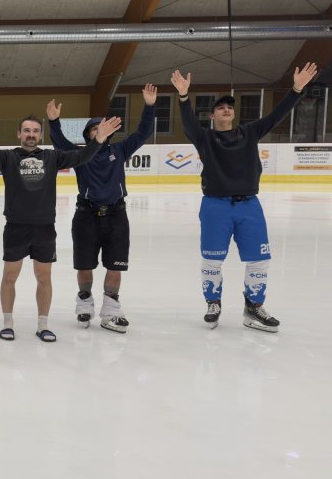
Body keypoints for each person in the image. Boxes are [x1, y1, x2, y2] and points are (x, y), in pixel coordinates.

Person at [172, 62, 319, 332]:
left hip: (249, 206)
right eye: (220, 107)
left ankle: (253, 308)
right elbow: (188, 124)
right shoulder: (204, 137)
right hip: (215, 206)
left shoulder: (249, 132)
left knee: (259, 259)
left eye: (230, 107)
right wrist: (183, 97)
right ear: (213, 116)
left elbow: (277, 115)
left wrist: (297, 89)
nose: (227, 109)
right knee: (213, 259)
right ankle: (213, 303)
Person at [0, 111, 121, 342]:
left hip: (44, 228)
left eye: (35, 131)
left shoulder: (52, 157)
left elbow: (82, 156)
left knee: (44, 277)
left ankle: (42, 324)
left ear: (40, 135)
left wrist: (99, 139)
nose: (31, 135)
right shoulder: (8, 158)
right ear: (19, 133)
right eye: (26, 130)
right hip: (16, 227)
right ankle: (8, 323)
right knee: (9, 276)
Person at [47, 85, 158, 334]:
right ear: (88, 135)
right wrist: (53, 122)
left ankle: (110, 310)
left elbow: (143, 132)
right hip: (86, 216)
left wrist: (150, 106)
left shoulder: (119, 150)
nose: (100, 131)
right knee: (84, 265)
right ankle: (84, 302)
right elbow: (60, 142)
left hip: (117, 216)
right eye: (95, 129)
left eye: (103, 127)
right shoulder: (79, 154)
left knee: (115, 265)